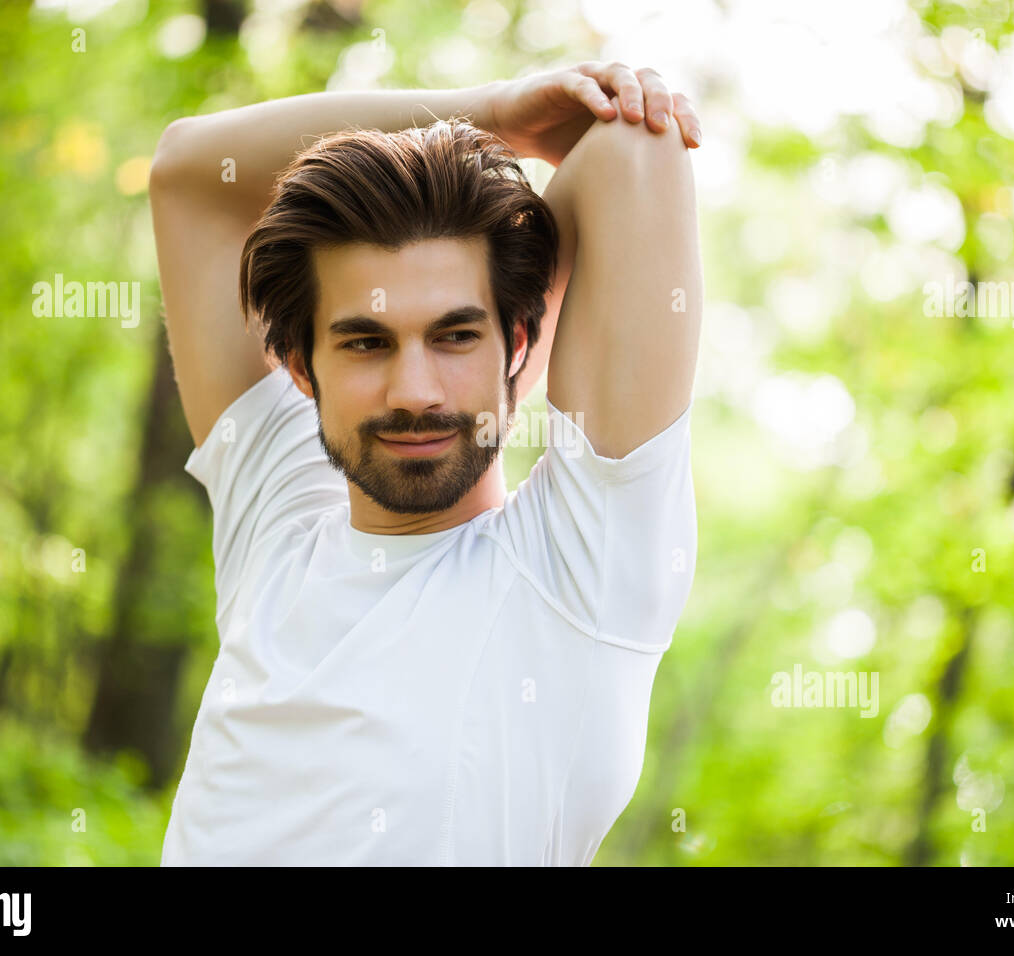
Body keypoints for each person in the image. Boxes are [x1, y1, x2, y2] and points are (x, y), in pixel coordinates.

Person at [149, 61, 704, 865]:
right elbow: (185, 172)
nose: (415, 392)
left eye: (454, 335)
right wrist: (490, 114)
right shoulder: (278, 521)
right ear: (302, 369)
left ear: (522, 342)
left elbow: (631, 146)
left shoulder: (580, 566)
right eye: (367, 343)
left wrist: (503, 352)